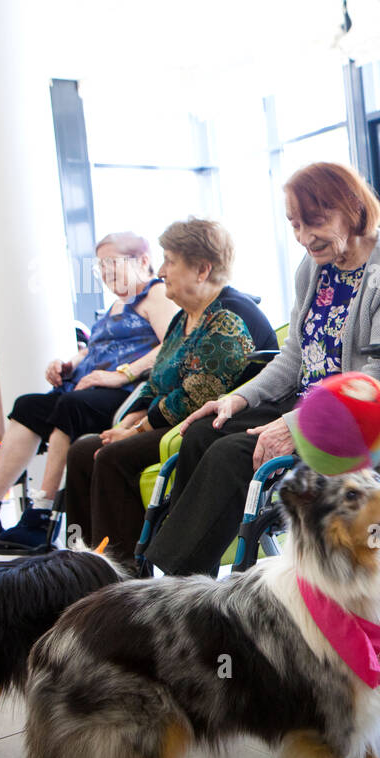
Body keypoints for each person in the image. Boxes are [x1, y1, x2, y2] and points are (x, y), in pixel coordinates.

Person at [141, 162, 380, 576]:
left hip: (361, 418)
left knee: (232, 456)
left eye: (315, 222)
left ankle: (179, 583)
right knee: (208, 431)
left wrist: (296, 425)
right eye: (294, 224)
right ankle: (186, 579)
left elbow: (379, 379)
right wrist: (237, 399)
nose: (303, 237)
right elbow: (294, 355)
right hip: (306, 405)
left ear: (351, 208)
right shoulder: (313, 267)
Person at [0, 231, 175, 551]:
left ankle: (42, 513)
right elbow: (94, 350)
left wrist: (120, 374)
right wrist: (69, 363)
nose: (106, 274)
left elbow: (169, 346)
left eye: (112, 265)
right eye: (100, 267)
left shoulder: (155, 296)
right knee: (28, 405)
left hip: (125, 394)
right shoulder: (115, 305)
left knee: (69, 405)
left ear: (143, 260)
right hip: (88, 388)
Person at [63, 218, 265, 562]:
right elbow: (156, 381)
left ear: (202, 269)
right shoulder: (185, 316)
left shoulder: (230, 317)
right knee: (82, 450)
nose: (160, 270)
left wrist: (136, 431)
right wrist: (128, 423)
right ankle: (84, 568)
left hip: (207, 428)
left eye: (170, 260)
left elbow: (196, 396)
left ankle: (123, 577)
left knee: (113, 458)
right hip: (169, 423)